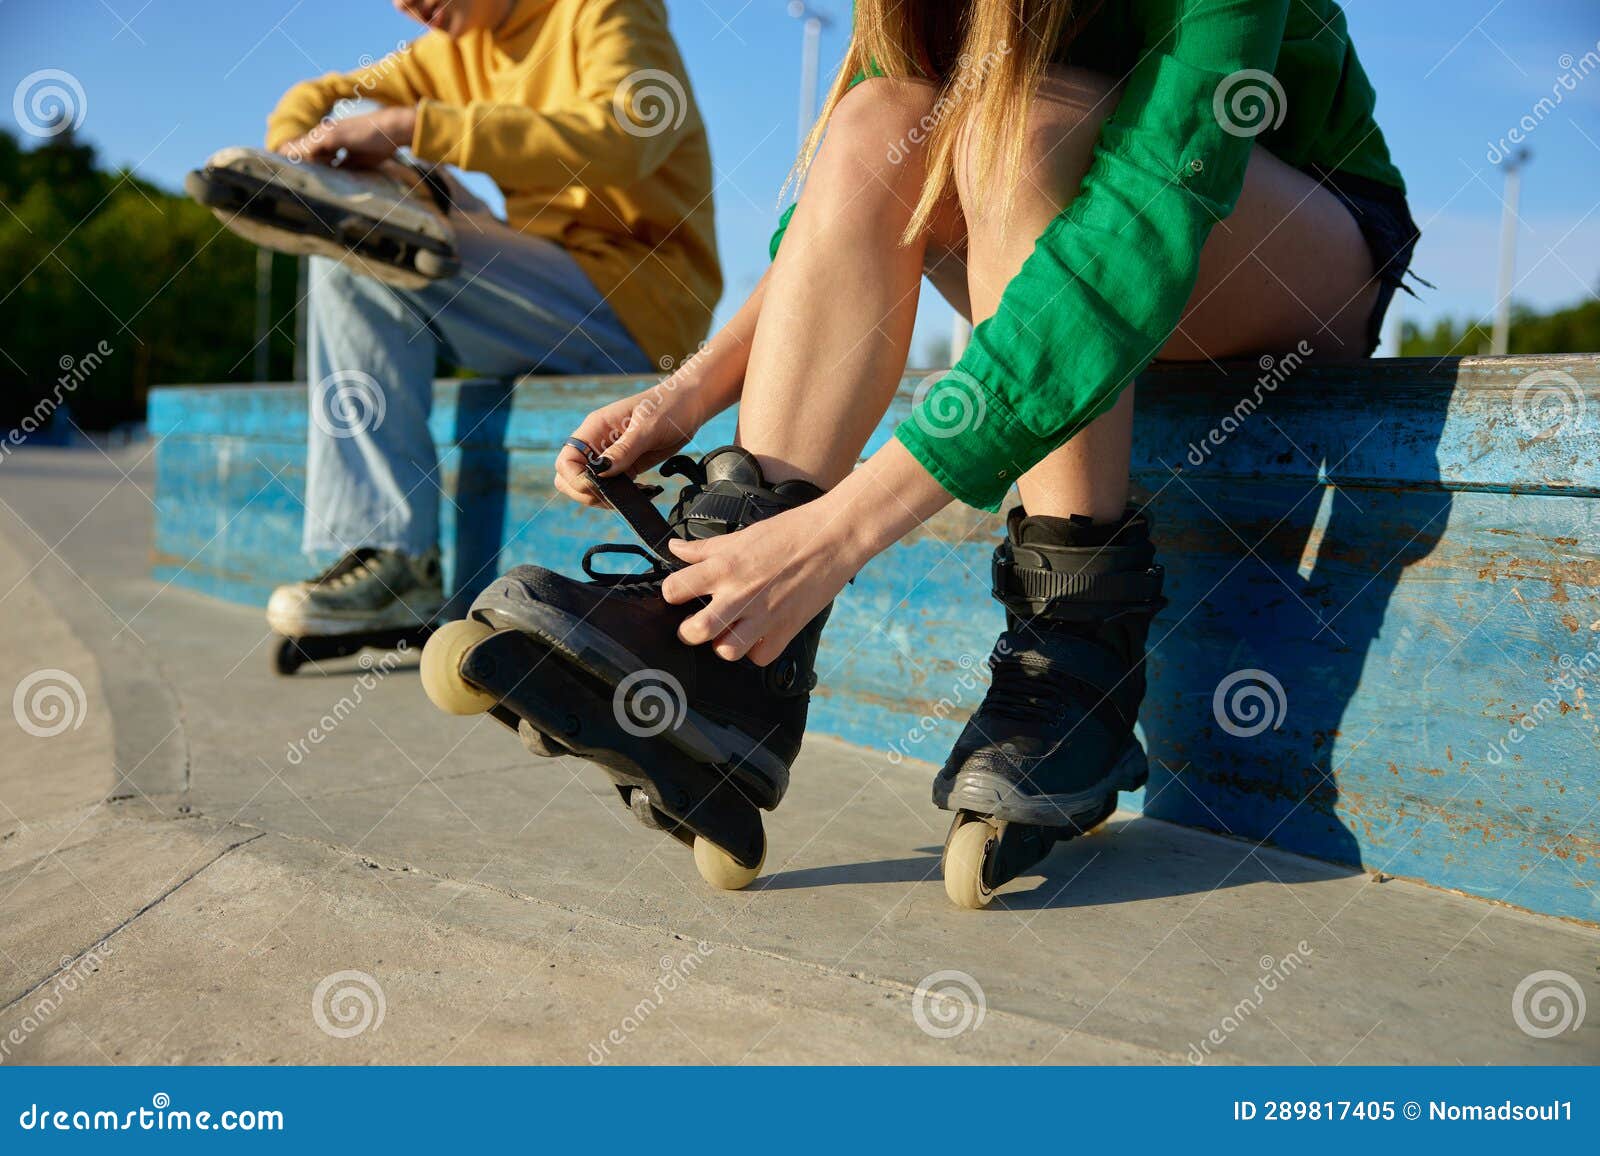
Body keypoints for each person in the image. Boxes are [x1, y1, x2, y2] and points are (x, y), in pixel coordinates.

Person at [539, 0, 1420, 886]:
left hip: (1281, 248)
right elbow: (838, 212)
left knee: (1023, 131)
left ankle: (1076, 647)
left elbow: (1134, 234)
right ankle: (726, 662)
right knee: (876, 120)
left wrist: (837, 536)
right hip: (1075, 218)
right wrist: (687, 392)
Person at [261, 0, 720, 641]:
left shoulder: (606, 11)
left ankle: (397, 564)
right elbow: (322, 93)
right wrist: (297, 151)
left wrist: (410, 126)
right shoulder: (449, 46)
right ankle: (387, 557)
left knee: (364, 228)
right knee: (356, 213)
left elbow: (627, 138)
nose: (406, 5)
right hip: (535, 288)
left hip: (635, 301)